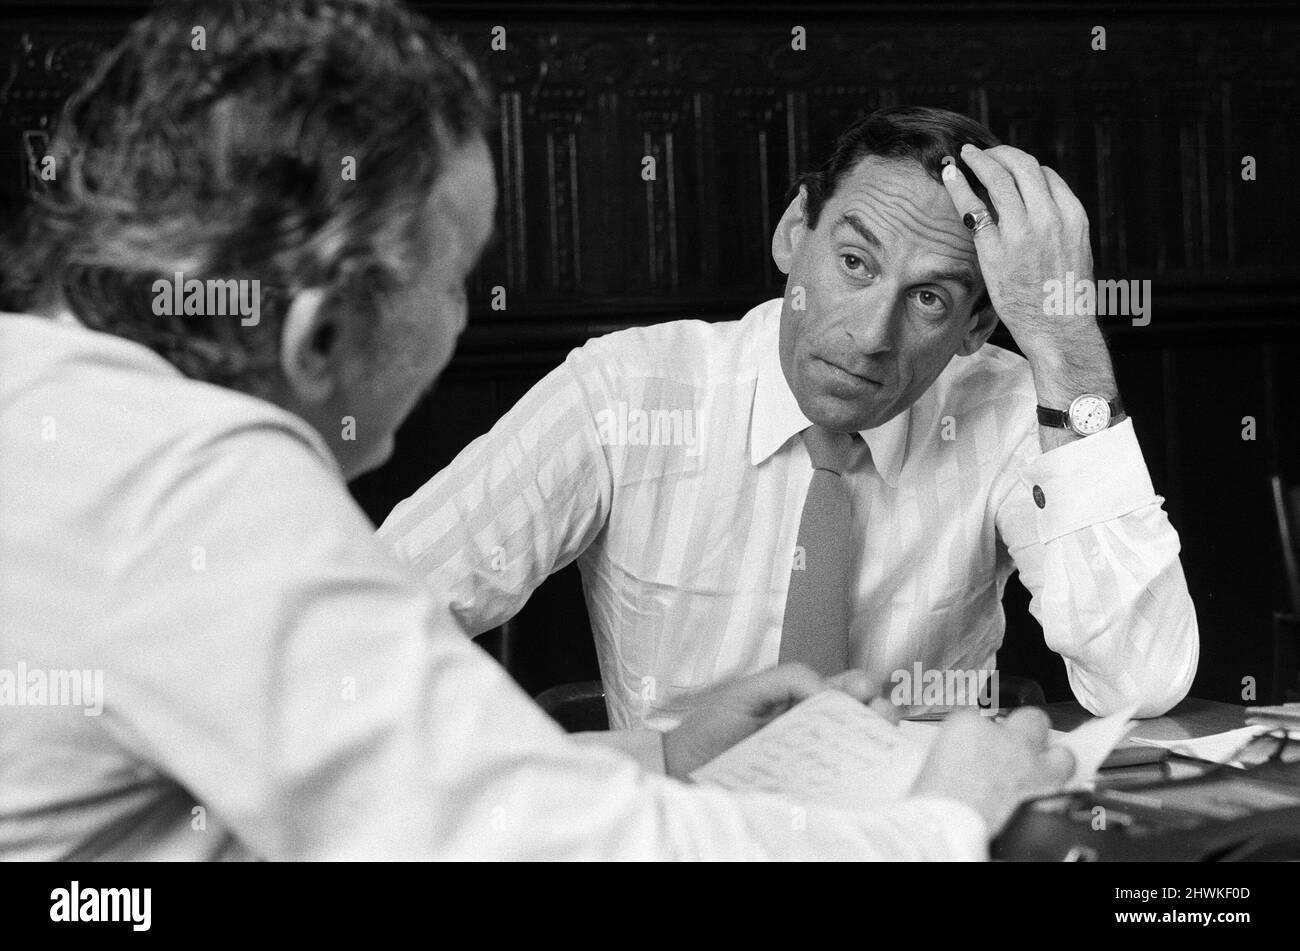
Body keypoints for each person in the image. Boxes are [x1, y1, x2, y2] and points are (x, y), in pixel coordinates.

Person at [0, 0, 1073, 861]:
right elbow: (506, 839)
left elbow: (408, 792)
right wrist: (942, 822)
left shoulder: (52, 402)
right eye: (461, 278)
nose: (470, 312)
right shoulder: (196, 486)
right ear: (318, 340)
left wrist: (661, 756)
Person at [379, 105, 1199, 732]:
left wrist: (1063, 339)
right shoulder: (627, 394)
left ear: (976, 328)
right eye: (853, 263)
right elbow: (368, 613)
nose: (868, 337)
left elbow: (1143, 677)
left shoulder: (1015, 407)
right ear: (791, 233)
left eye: (929, 298)